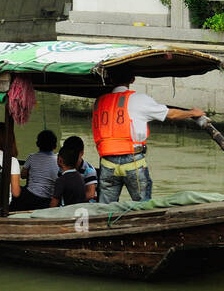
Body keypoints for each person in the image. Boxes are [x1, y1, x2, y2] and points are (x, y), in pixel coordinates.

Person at [91, 71, 204, 203]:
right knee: (143, 206)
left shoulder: (99, 102)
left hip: (107, 162)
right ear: (132, 79)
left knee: (105, 209)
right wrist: (193, 113)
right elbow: (171, 114)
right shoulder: (139, 99)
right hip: (133, 160)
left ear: (110, 79)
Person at [13, 130, 60, 211]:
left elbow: (23, 175)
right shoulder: (58, 160)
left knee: (16, 190)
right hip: (49, 199)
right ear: (55, 146)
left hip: (30, 196)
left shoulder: (32, 157)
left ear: (37, 144)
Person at [50, 140, 89, 208]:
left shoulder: (61, 180)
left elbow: (53, 204)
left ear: (60, 160)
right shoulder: (80, 176)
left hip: (66, 214)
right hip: (78, 211)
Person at [61, 135, 98, 201]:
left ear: (81, 153)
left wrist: (72, 201)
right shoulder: (62, 166)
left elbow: (90, 194)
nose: (71, 156)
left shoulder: (89, 170)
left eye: (74, 154)